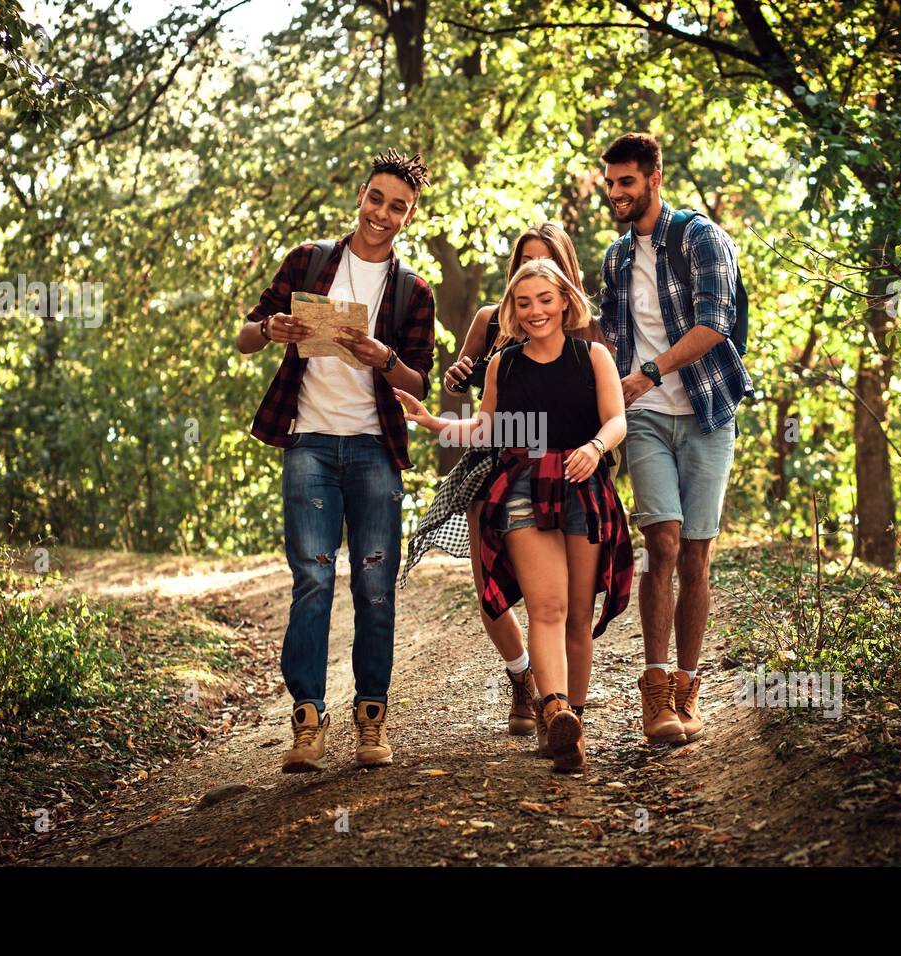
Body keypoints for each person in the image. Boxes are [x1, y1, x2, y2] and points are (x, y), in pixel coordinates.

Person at [236, 149, 436, 773]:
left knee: (375, 587)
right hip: (311, 444)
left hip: (376, 450)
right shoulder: (310, 260)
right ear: (361, 195)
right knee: (314, 580)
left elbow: (421, 384)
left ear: (409, 215)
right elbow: (245, 336)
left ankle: (371, 716)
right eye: (376, 199)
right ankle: (308, 719)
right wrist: (273, 331)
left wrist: (382, 357)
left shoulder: (412, 290)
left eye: (397, 206)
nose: (383, 213)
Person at [395, 258, 633, 772]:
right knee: (545, 608)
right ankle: (555, 709)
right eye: (523, 303)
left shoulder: (592, 355)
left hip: (582, 482)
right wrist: (435, 422)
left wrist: (594, 447)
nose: (535, 311)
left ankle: (574, 725)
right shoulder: (504, 363)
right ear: (511, 310)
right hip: (524, 486)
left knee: (576, 612)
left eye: (545, 300)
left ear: (566, 301)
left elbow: (617, 421)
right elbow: (489, 430)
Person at [598, 133, 752, 746]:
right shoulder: (614, 258)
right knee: (659, 542)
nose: (616, 194)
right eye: (610, 183)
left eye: (626, 182)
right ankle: (655, 693)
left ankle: (690, 688)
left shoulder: (700, 238)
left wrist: (650, 373)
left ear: (654, 179)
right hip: (645, 419)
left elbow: (715, 324)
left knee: (695, 551)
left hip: (708, 411)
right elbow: (608, 337)